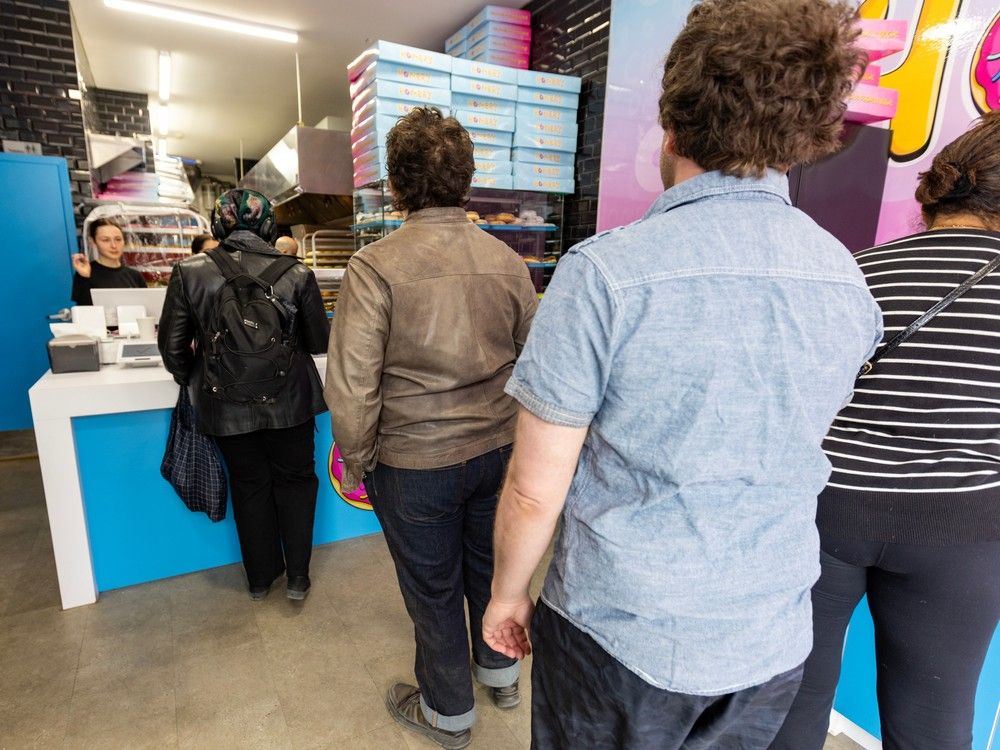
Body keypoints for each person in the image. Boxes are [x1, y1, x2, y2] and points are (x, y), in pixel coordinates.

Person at [482, 1, 884, 748]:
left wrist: (507, 595)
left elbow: (537, 485)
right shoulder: (847, 283)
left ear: (673, 123)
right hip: (770, 633)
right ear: (800, 137)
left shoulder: (604, 273)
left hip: (621, 628)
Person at [771, 111, 1000, 750]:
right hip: (961, 526)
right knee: (934, 719)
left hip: (826, 510)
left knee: (793, 697)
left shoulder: (858, 269)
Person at [325, 107, 538, 749]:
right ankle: (500, 672)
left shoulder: (374, 266)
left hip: (413, 464)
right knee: (493, 570)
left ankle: (449, 715)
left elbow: (353, 386)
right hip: (498, 451)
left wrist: (358, 460)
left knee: (432, 590)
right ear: (467, 183)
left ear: (397, 185)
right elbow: (535, 365)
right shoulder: (508, 262)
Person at [158, 189, 330, 601]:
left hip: (225, 407)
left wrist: (191, 377)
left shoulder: (189, 272)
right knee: (296, 482)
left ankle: (259, 579)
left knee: (249, 485)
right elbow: (318, 341)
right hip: (291, 404)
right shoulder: (297, 273)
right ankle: (298, 578)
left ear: (217, 226)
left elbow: (172, 347)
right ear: (269, 227)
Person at [71, 218, 146, 306]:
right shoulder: (86, 274)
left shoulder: (135, 276)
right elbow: (84, 311)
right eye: (105, 240)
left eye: (118, 239)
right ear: (93, 242)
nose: (113, 246)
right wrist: (85, 277)